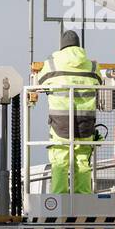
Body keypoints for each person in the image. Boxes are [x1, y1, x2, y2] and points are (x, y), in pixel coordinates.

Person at [37, 30, 102, 194]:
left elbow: (40, 82)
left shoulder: (52, 64)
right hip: (85, 122)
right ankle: (83, 201)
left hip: (61, 123)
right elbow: (100, 82)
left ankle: (59, 201)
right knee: (82, 161)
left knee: (60, 161)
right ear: (79, 46)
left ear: (62, 47)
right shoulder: (93, 66)